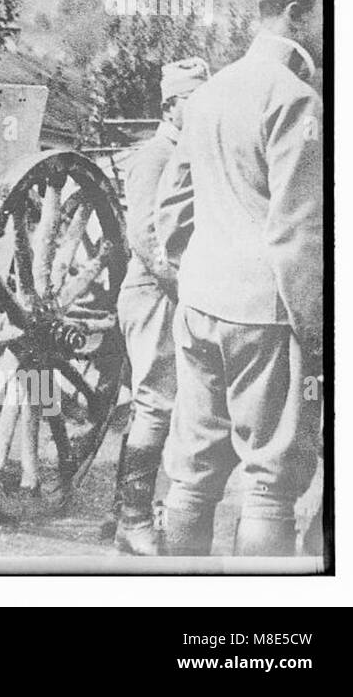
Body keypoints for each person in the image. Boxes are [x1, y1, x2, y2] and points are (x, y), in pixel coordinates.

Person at [155, 0, 325, 556]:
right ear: (301, 10)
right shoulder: (298, 100)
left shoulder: (210, 92)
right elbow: (298, 236)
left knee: (192, 476)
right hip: (267, 314)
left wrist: (191, 277)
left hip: (199, 306)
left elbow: (170, 213)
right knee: (270, 487)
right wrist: (318, 334)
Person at [111, 56, 209, 555]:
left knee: (172, 404)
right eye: (194, 101)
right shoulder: (152, 157)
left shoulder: (193, 151)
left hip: (177, 291)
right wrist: (182, 290)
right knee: (156, 402)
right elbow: (147, 239)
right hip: (153, 292)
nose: (202, 109)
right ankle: (132, 522)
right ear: (171, 105)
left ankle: (130, 515)